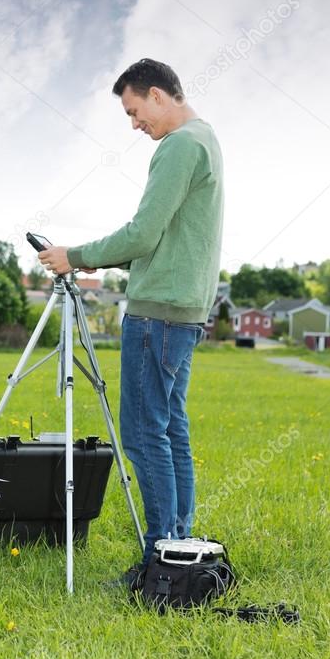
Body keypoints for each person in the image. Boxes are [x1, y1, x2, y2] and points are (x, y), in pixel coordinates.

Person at [37, 58, 224, 579]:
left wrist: (73, 254)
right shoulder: (206, 139)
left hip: (158, 312)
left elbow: (143, 234)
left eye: (135, 111)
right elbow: (159, 237)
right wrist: (89, 255)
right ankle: (179, 549)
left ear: (159, 95)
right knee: (171, 431)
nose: (135, 124)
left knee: (144, 435)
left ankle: (161, 558)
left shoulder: (180, 145)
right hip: (183, 310)